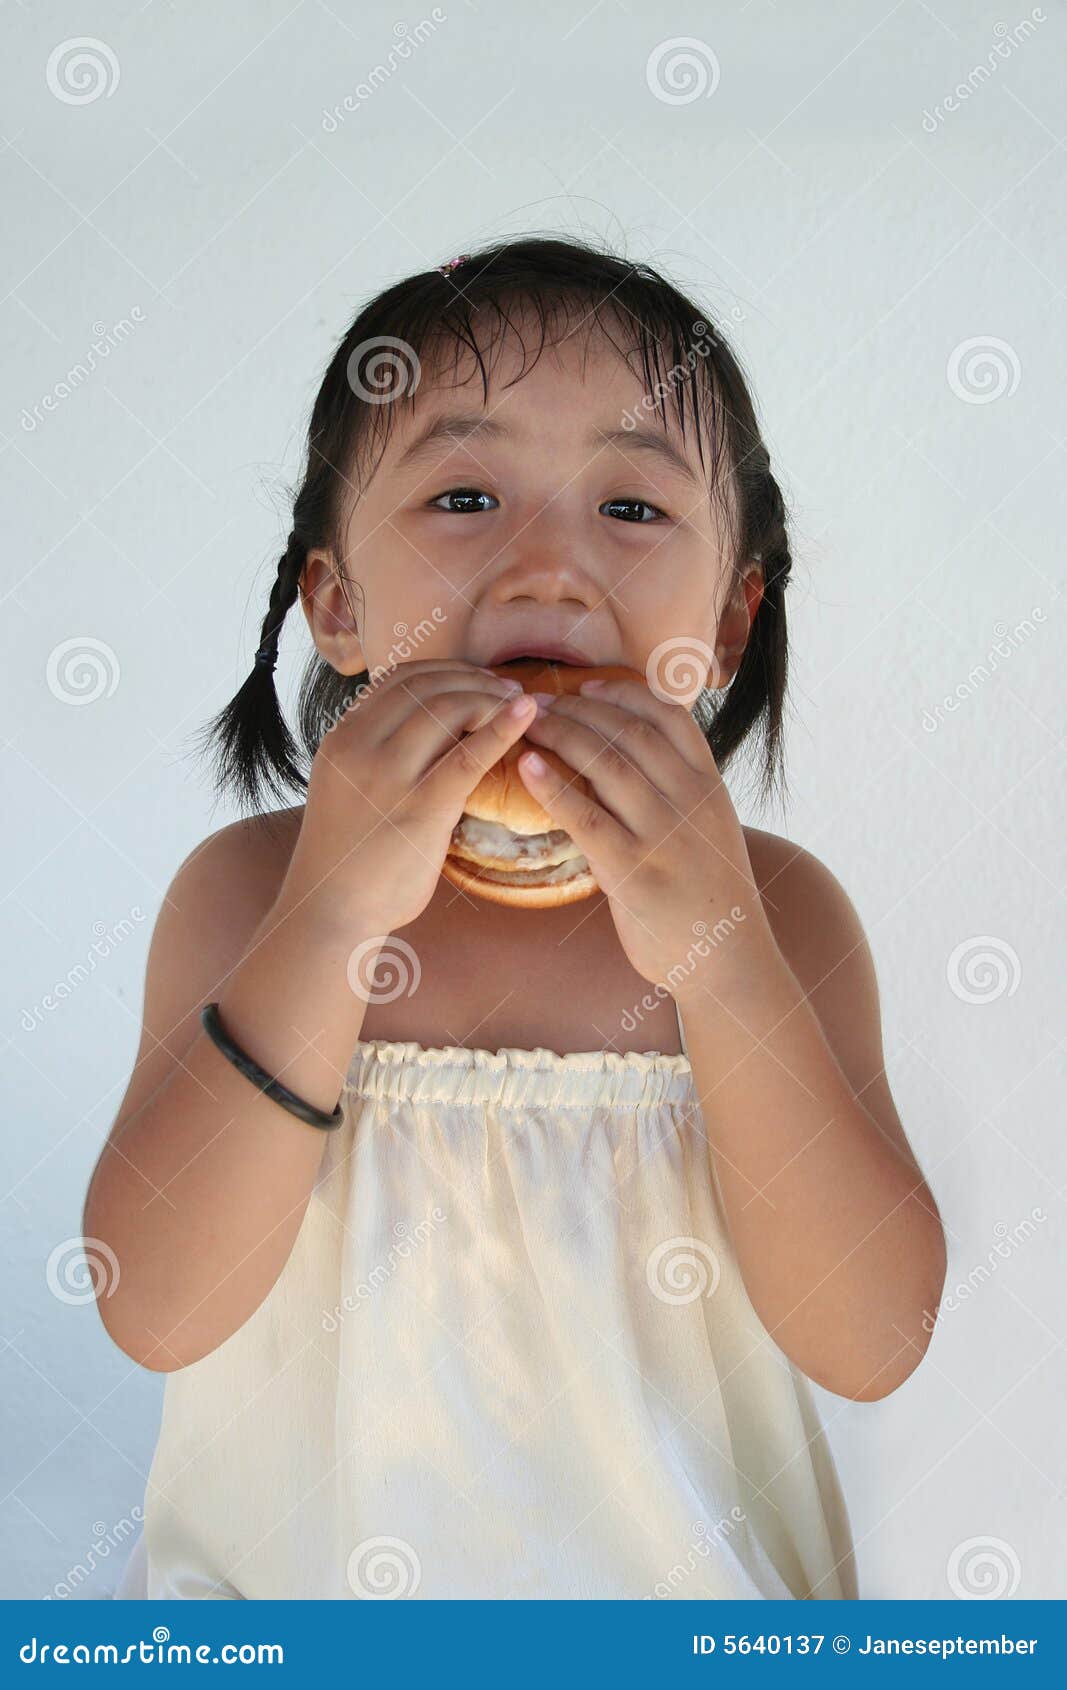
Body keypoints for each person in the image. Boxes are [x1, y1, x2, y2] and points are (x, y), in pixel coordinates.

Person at [87, 235, 946, 1600]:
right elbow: (155, 1307)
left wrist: (724, 964)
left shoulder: (782, 911)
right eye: (466, 494)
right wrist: (329, 918)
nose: (548, 565)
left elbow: (874, 1339)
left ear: (729, 624)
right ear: (337, 604)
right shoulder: (249, 892)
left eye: (633, 508)